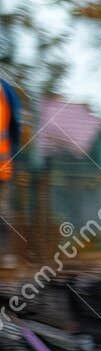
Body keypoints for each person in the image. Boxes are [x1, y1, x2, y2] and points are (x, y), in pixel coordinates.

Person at [0, 77, 21, 262]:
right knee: (3, 209)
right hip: (3, 163)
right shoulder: (5, 89)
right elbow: (16, 126)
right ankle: (3, 254)